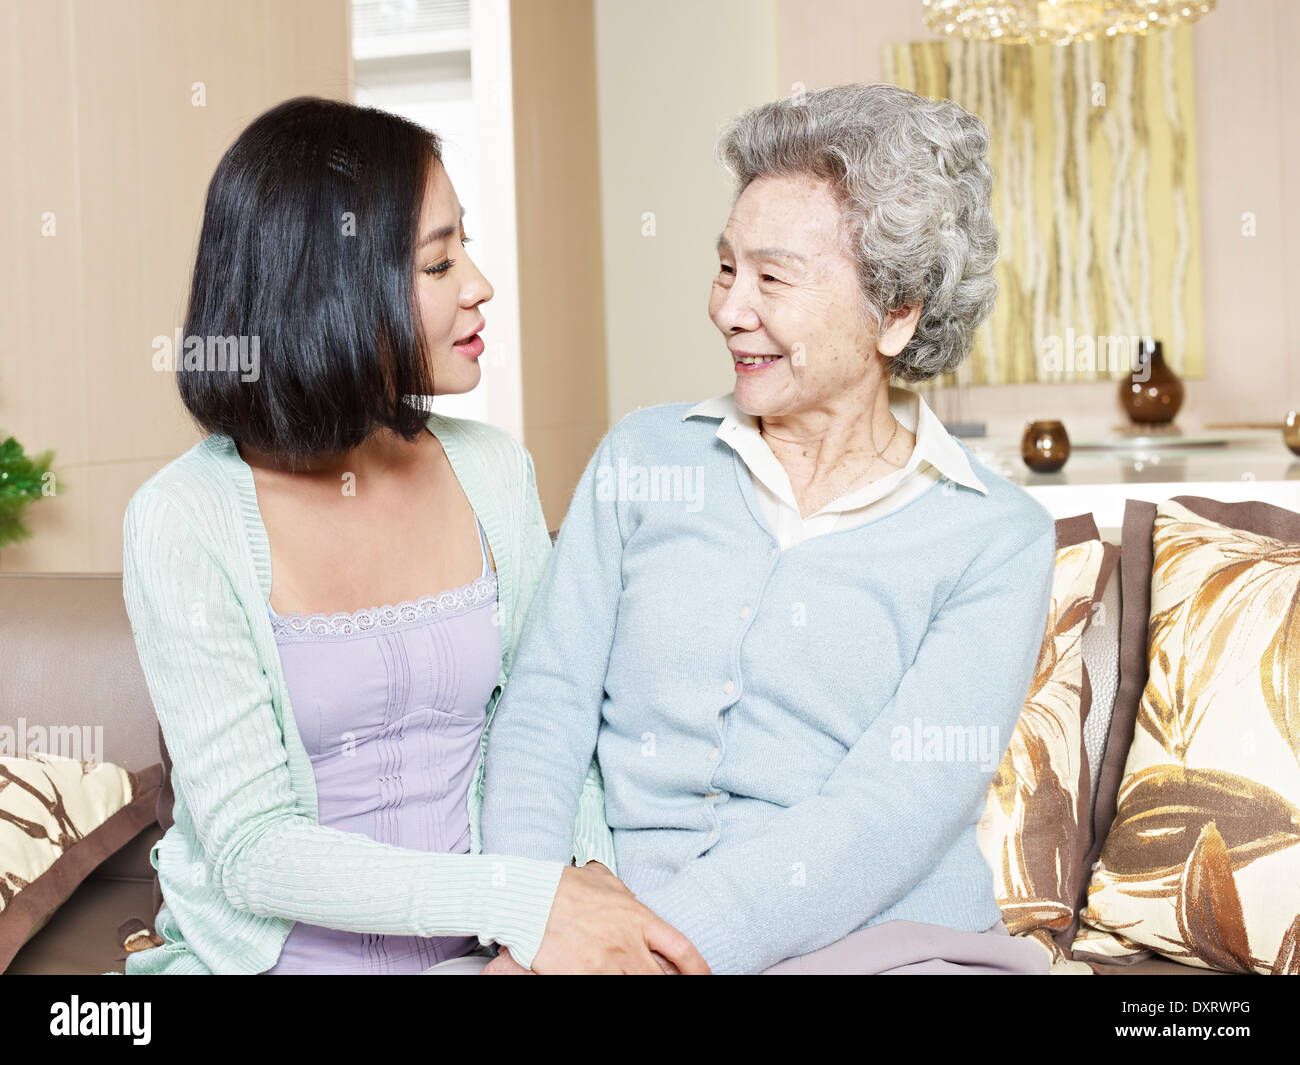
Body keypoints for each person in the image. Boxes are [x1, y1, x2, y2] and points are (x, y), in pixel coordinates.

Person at [121, 97, 706, 975]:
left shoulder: (492, 470)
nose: (479, 284)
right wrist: (523, 901)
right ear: (326, 289)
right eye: (439, 262)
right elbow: (251, 847)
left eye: (462, 247)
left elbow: (550, 720)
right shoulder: (183, 518)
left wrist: (556, 915)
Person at [479, 84, 1056, 975]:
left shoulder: (994, 536)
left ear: (895, 314)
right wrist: (534, 915)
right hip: (596, 942)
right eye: (724, 267)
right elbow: (544, 710)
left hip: (880, 945)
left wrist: (652, 950)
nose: (728, 309)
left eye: (773, 278)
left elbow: (890, 811)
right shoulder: (643, 457)